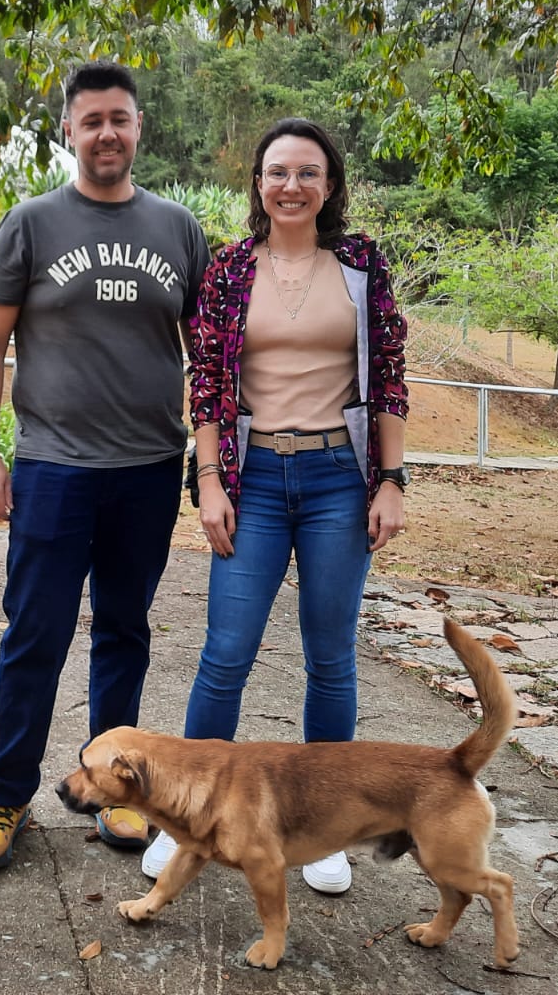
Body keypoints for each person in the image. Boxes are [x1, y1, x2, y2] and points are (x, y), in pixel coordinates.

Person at [140, 117, 408, 894]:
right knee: (227, 653)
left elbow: (388, 374)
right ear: (258, 184)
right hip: (252, 481)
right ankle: (186, 823)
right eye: (277, 172)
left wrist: (392, 480)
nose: (292, 186)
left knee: (331, 657)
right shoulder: (228, 270)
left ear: (331, 184)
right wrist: (211, 482)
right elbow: (209, 387)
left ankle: (319, 831)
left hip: (336, 480)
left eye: (308, 172)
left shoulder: (360, 264)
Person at [0, 61, 212, 870]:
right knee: (34, 633)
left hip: (146, 469)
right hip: (54, 468)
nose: (107, 132)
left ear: (140, 129)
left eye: (121, 119)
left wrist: (207, 465)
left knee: (125, 632)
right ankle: (5, 796)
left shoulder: (178, 229)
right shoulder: (31, 223)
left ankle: (119, 794)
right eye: (91, 119)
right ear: (67, 129)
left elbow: (206, 358)